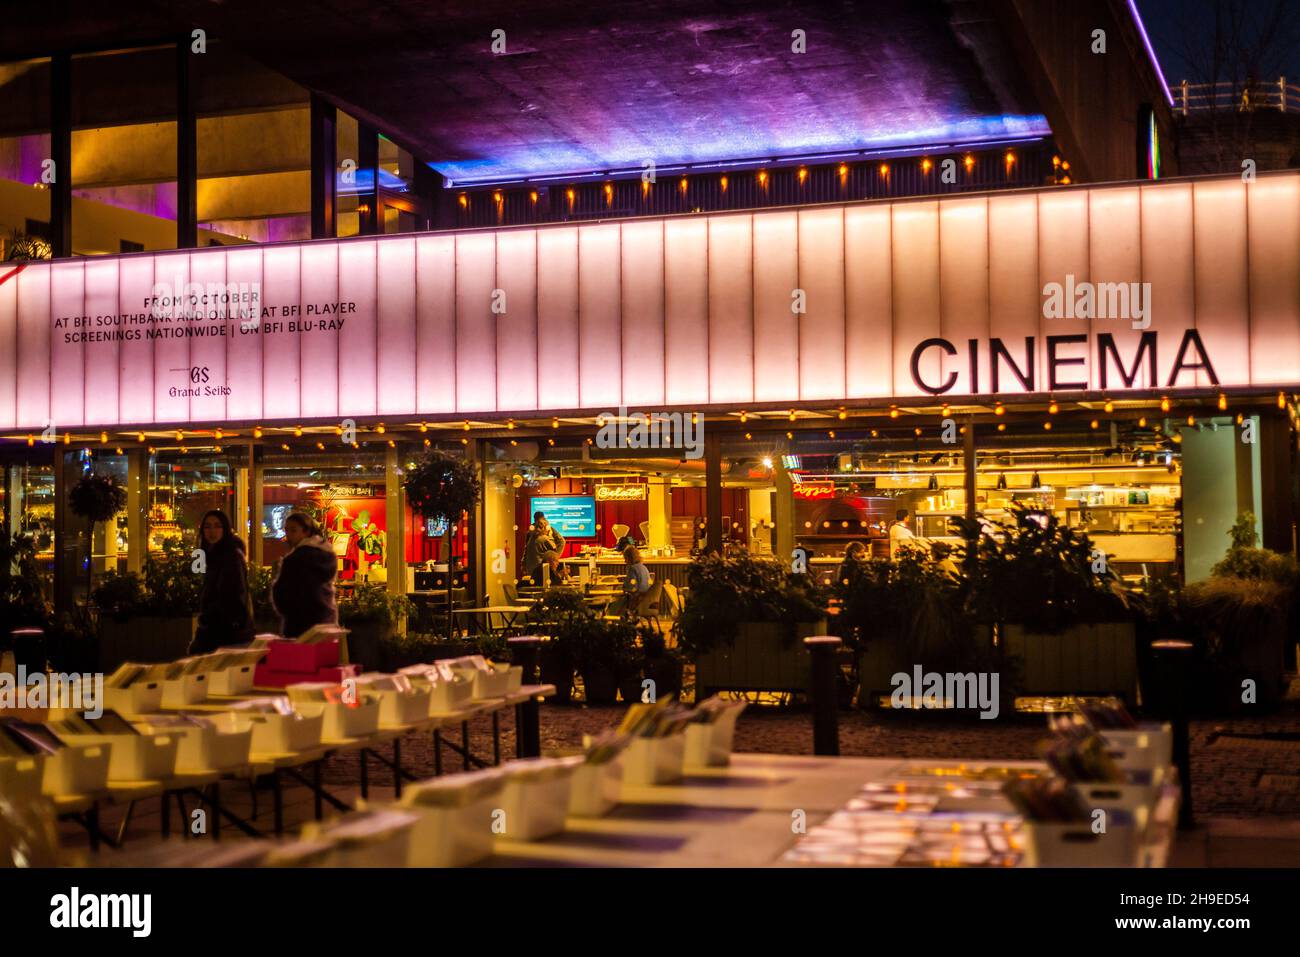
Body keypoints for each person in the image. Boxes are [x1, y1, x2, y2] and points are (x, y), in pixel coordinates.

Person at [190, 509, 255, 654]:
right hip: (221, 628)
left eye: (217, 526)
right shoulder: (212, 553)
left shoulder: (229, 556)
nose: (212, 531)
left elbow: (232, 595)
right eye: (207, 526)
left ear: (225, 528)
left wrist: (208, 619)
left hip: (226, 631)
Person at [271, 512, 339, 638]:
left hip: (300, 622)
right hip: (326, 617)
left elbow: (283, 592)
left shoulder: (295, 559)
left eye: (293, 530)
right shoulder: (327, 554)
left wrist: (286, 610)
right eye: (286, 530)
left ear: (306, 531)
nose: (288, 534)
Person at [523, 511, 567, 586]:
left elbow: (526, 550)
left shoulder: (531, 535)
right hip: (542, 570)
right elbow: (554, 550)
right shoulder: (545, 538)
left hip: (531, 570)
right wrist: (556, 558)